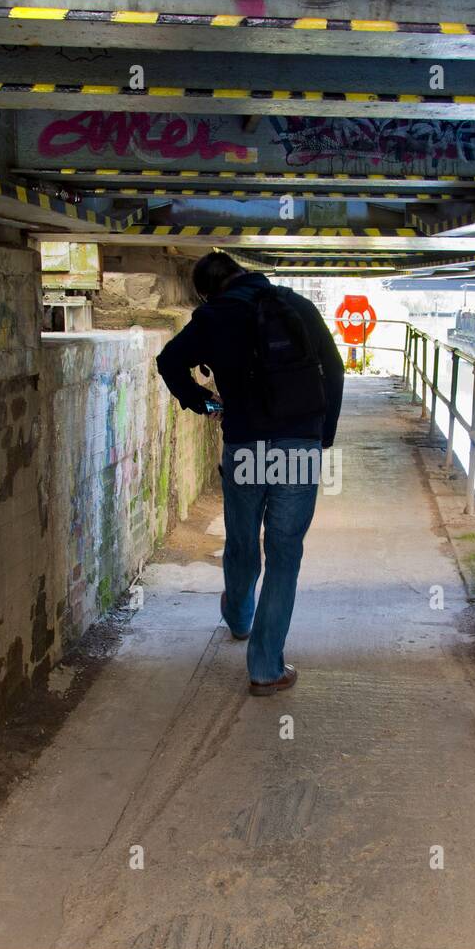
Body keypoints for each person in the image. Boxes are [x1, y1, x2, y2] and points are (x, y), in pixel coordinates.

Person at [156, 252, 344, 695]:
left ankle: (239, 617)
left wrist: (203, 402)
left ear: (207, 290)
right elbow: (334, 370)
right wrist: (322, 435)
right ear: (243, 272)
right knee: (284, 553)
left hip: (244, 446)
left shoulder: (214, 317)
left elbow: (169, 362)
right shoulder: (294, 305)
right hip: (298, 446)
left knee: (242, 541)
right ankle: (265, 668)